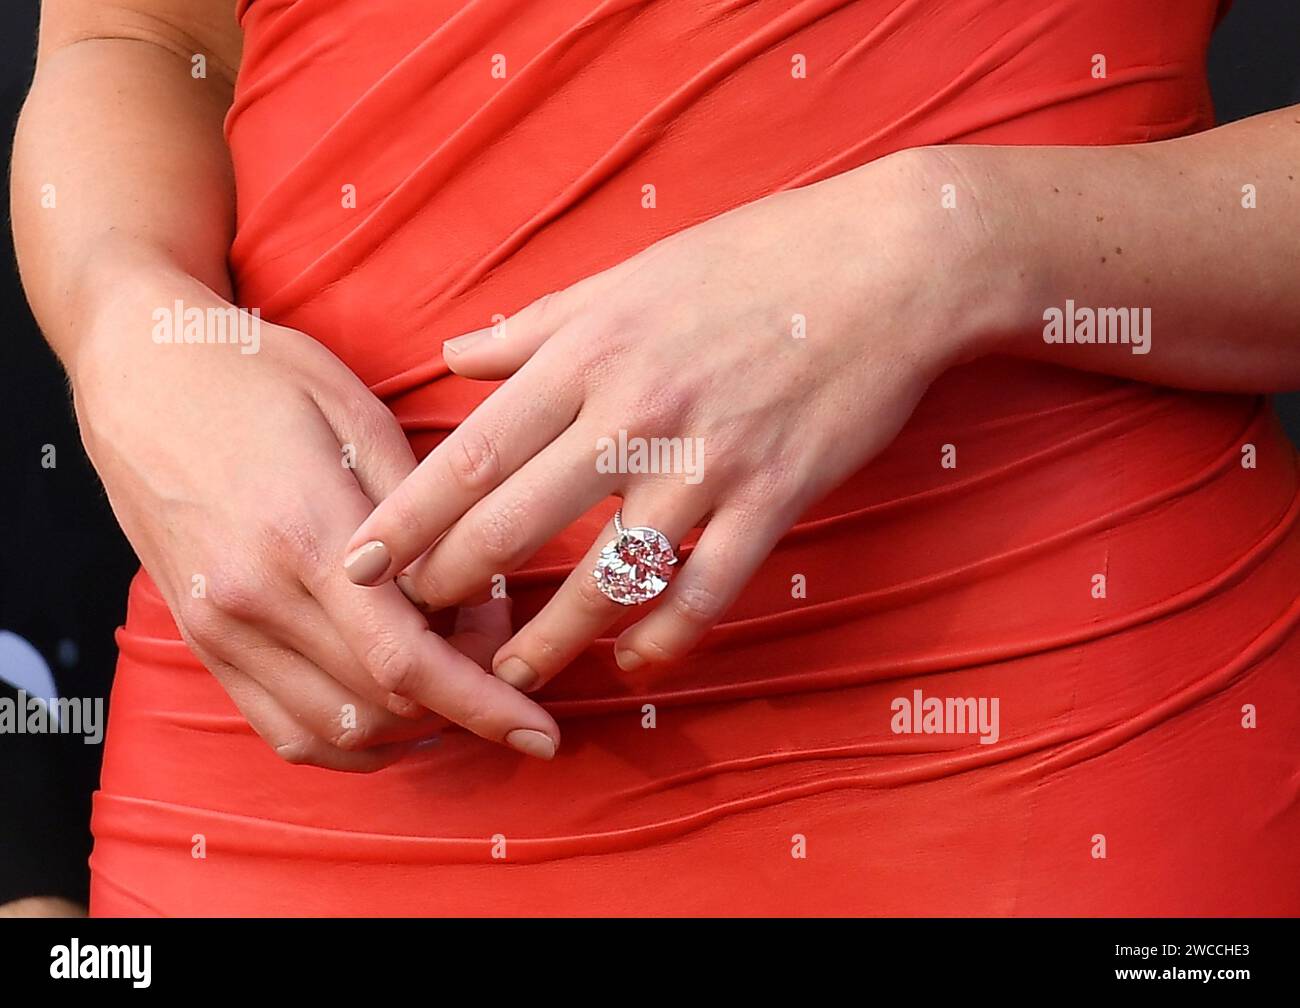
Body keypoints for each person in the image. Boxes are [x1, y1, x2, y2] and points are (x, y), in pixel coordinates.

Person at [12, 0, 1300, 915]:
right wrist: (129, 324)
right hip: (305, 733)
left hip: (1028, 745)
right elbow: (142, 38)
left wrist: (953, 244)